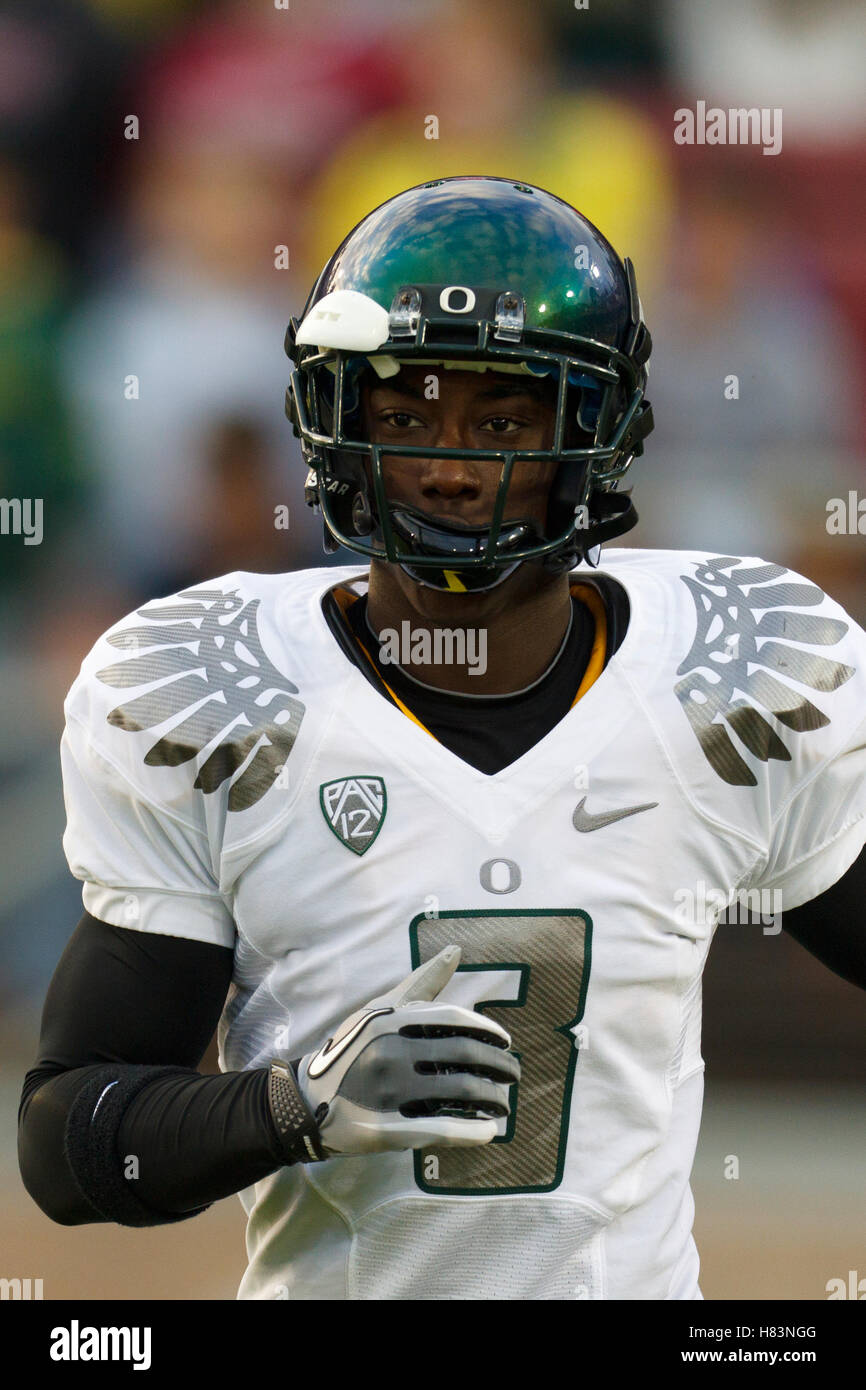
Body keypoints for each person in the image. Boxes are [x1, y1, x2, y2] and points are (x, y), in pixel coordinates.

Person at [18, 176, 866, 1300]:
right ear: (339, 424)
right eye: (405, 416)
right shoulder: (220, 694)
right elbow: (71, 1142)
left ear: (590, 432)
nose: (451, 465)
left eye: (502, 418)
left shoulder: (728, 674)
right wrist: (293, 1107)